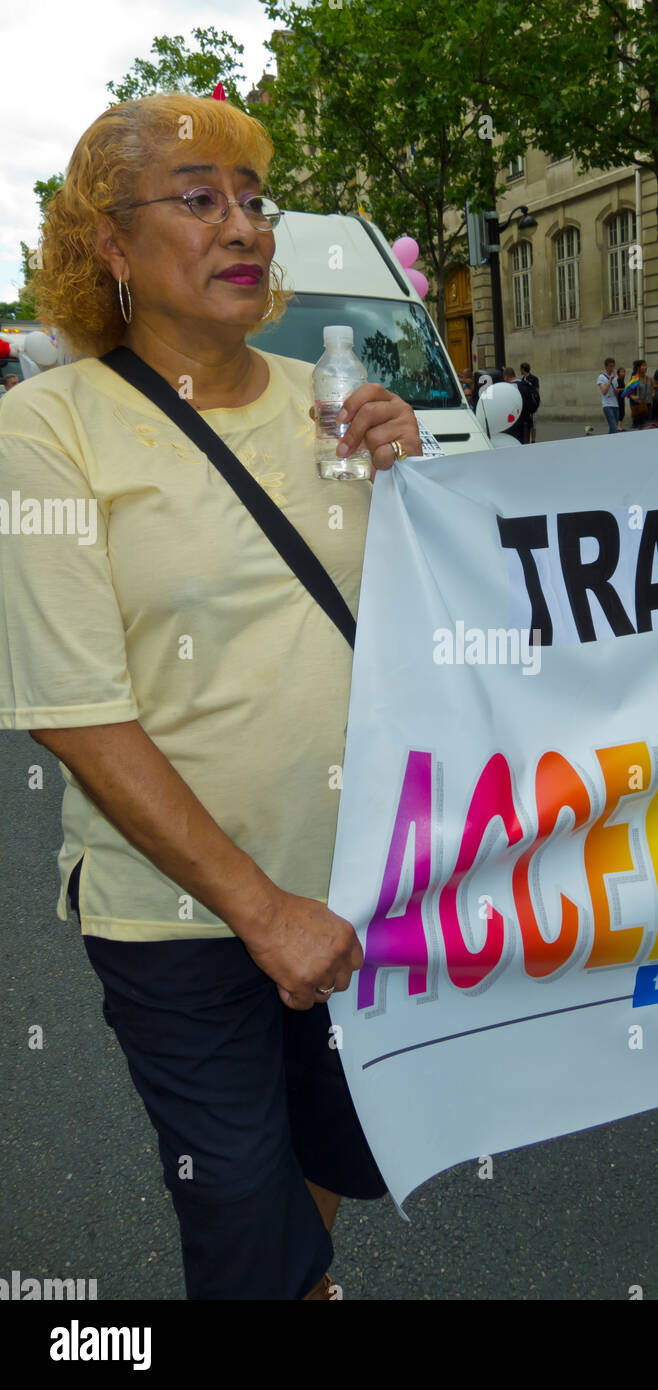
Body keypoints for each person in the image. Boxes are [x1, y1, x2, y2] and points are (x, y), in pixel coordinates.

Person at [0, 92, 428, 1303]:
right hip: (180, 919)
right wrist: (261, 909)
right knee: (239, 1204)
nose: (242, 225)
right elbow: (73, 708)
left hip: (356, 882)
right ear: (111, 245)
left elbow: (420, 630)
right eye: (199, 199)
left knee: (321, 1155)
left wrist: (417, 487)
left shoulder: (332, 402)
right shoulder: (45, 431)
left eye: (254, 201)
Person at [503, 365, 532, 443]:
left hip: (514, 423)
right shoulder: (525, 384)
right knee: (525, 444)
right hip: (527, 421)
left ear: (506, 377)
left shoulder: (509, 388)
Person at [598, 355, 621, 432]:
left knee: (612, 429)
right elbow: (604, 391)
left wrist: (617, 391)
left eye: (613, 366)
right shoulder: (601, 377)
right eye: (610, 366)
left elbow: (615, 392)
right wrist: (610, 379)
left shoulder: (616, 377)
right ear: (606, 366)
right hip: (607, 405)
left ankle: (606, 442)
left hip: (615, 404)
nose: (612, 368)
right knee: (615, 428)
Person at [519, 361, 540, 441]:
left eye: (520, 369)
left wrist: (536, 402)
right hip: (526, 405)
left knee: (533, 424)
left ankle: (533, 440)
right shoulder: (522, 380)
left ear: (523, 369)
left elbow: (537, 391)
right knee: (528, 424)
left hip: (532, 404)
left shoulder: (534, 379)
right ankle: (528, 439)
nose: (520, 371)